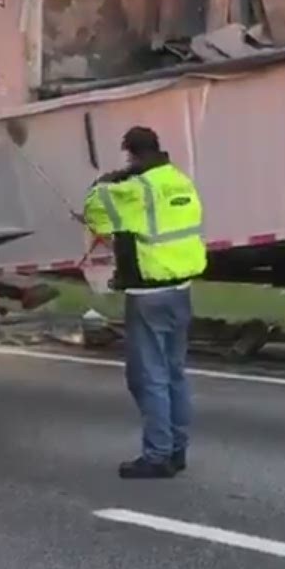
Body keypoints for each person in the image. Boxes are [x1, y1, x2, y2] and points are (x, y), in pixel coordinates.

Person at [81, 126, 208, 479]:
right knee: (174, 374)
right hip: (181, 290)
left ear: (132, 155)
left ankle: (157, 455)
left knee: (147, 377)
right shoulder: (182, 182)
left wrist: (108, 180)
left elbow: (94, 210)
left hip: (147, 295)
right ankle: (177, 449)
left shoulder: (136, 191)